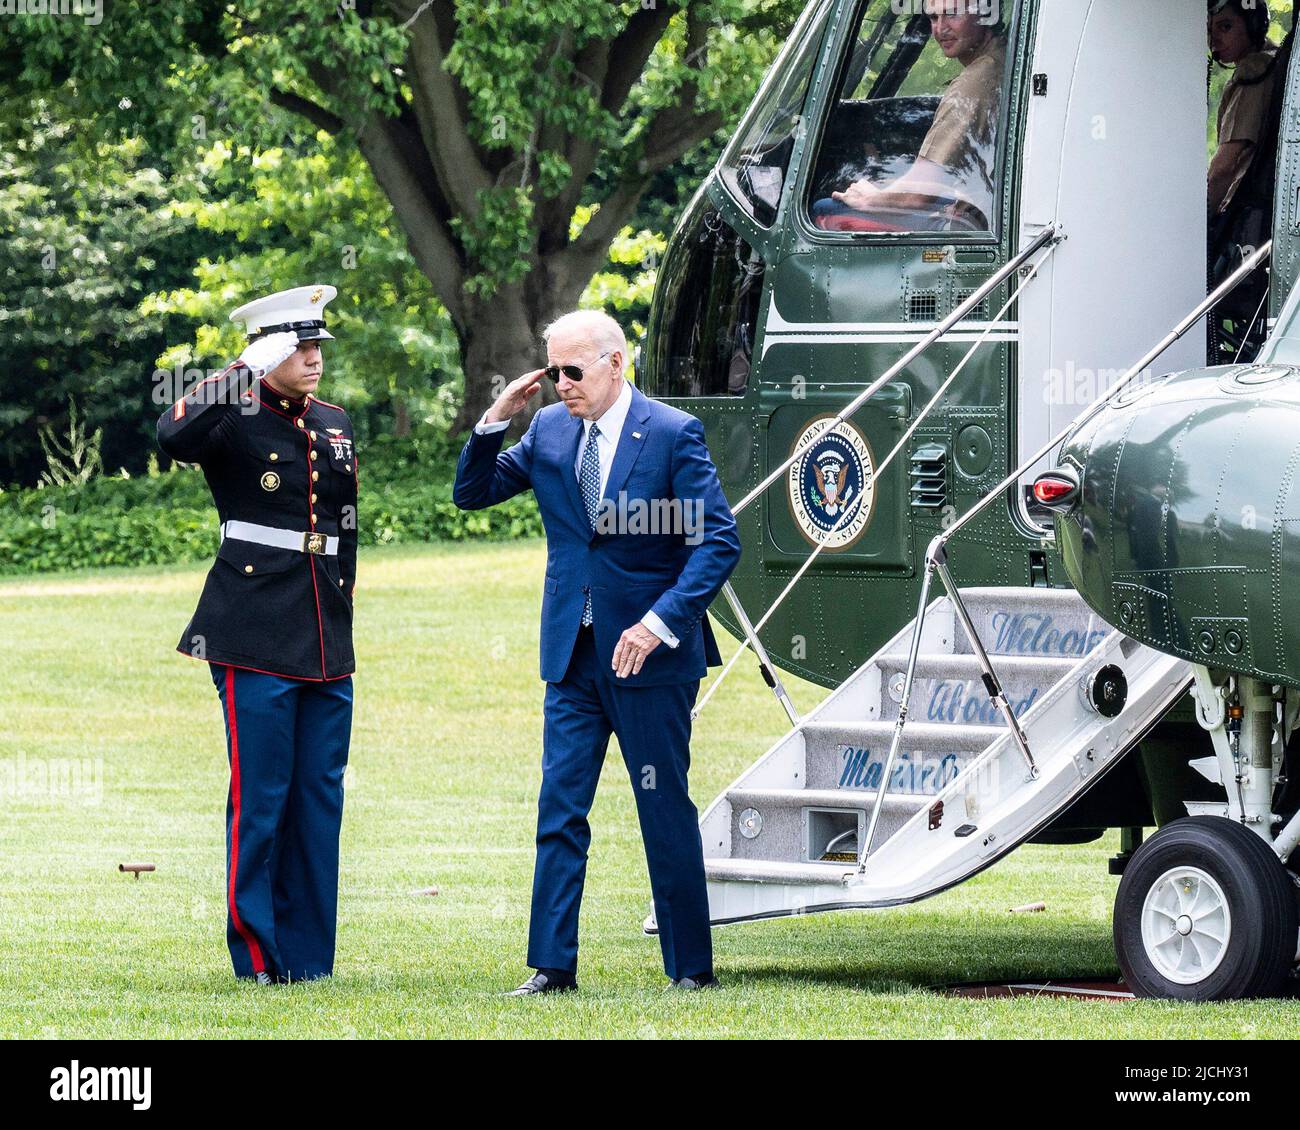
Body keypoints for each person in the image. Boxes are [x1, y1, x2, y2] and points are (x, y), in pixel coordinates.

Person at [453, 310, 741, 994]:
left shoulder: (672, 435)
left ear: (616, 364)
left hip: (650, 660)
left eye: (573, 371)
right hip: (573, 658)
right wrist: (494, 419)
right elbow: (473, 495)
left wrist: (659, 622)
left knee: (661, 807)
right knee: (559, 809)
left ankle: (690, 971)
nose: (562, 386)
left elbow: (717, 542)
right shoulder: (550, 428)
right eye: (553, 372)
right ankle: (552, 967)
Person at [156, 285, 358, 984]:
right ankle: (259, 954)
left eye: (317, 346)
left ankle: (309, 959)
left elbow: (342, 528)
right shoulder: (231, 413)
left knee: (317, 800)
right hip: (251, 627)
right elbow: (170, 434)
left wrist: (344, 610)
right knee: (262, 797)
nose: (313, 358)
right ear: (267, 351)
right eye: (299, 347)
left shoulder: (333, 420)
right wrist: (244, 368)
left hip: (324, 632)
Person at [818, 0, 1006, 232]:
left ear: (984, 15)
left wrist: (870, 199)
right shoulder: (1003, 56)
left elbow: (918, 194)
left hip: (974, 224)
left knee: (825, 210)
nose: (940, 29)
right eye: (934, 18)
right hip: (984, 210)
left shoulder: (973, 84)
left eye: (952, 15)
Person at [1208, 0, 1279, 218]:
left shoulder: (1255, 71)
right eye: (1209, 30)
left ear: (1254, 25)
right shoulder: (1275, 62)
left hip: (1248, 216)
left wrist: (1198, 221)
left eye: (1225, 26)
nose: (1214, 39)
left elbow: (1223, 169)